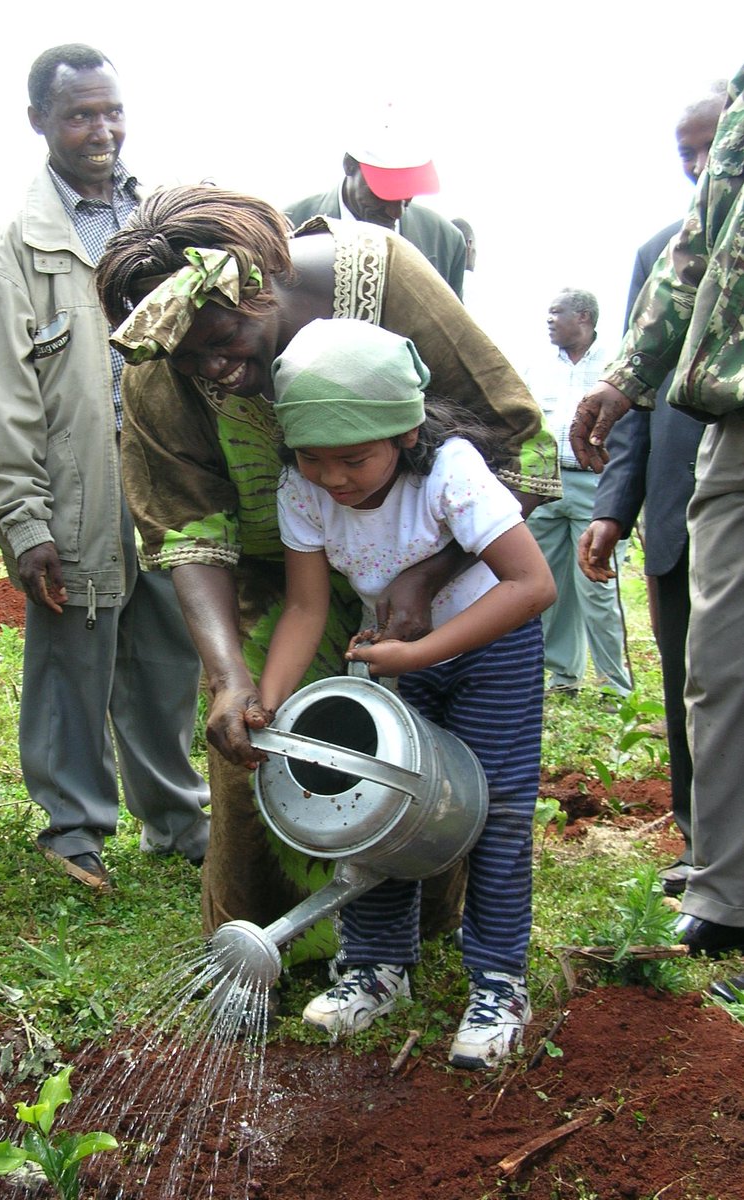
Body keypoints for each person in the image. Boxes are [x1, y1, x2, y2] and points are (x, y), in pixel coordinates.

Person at [96, 185, 559, 960]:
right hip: (281, 566)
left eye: (230, 344)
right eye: (193, 357)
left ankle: (419, 940)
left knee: (419, 771)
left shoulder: (387, 284)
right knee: (273, 764)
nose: (216, 369)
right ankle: (305, 955)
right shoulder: (163, 349)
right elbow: (187, 527)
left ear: (264, 285)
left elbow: (514, 446)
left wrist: (427, 573)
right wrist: (229, 678)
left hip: (435, 571)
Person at [259, 318, 554, 1063]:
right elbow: (305, 606)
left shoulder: (451, 471)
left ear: (406, 433)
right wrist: (266, 700)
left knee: (498, 808)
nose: (332, 478)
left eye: (353, 460)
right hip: (397, 655)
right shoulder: (301, 489)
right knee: (381, 809)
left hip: (491, 648)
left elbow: (531, 584)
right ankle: (376, 968)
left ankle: (498, 984)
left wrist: (422, 655)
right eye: (313, 459)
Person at [0, 45, 209, 888]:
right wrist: (23, 524)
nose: (100, 129)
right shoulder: (14, 253)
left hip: (165, 477)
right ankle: (74, 826)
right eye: (78, 115)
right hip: (78, 487)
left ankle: (175, 817)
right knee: (73, 655)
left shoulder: (165, 223)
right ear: (39, 122)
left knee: (170, 655)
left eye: (110, 111)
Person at [569, 68, 744, 982]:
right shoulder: (672, 248)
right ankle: (723, 877)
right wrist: (615, 505)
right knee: (711, 676)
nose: (701, 166)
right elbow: (643, 386)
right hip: (714, 455)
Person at [525, 289, 632, 696]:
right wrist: (532, 486)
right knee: (550, 585)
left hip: (598, 485)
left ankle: (614, 687)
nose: (549, 320)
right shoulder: (537, 367)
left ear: (583, 317)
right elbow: (528, 426)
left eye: (557, 313)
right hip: (549, 486)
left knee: (598, 587)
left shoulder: (616, 364)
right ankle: (562, 676)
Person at [285, 118, 467, 298]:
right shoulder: (288, 227)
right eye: (385, 193)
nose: (396, 213)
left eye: (407, 196)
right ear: (349, 165)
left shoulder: (446, 242)